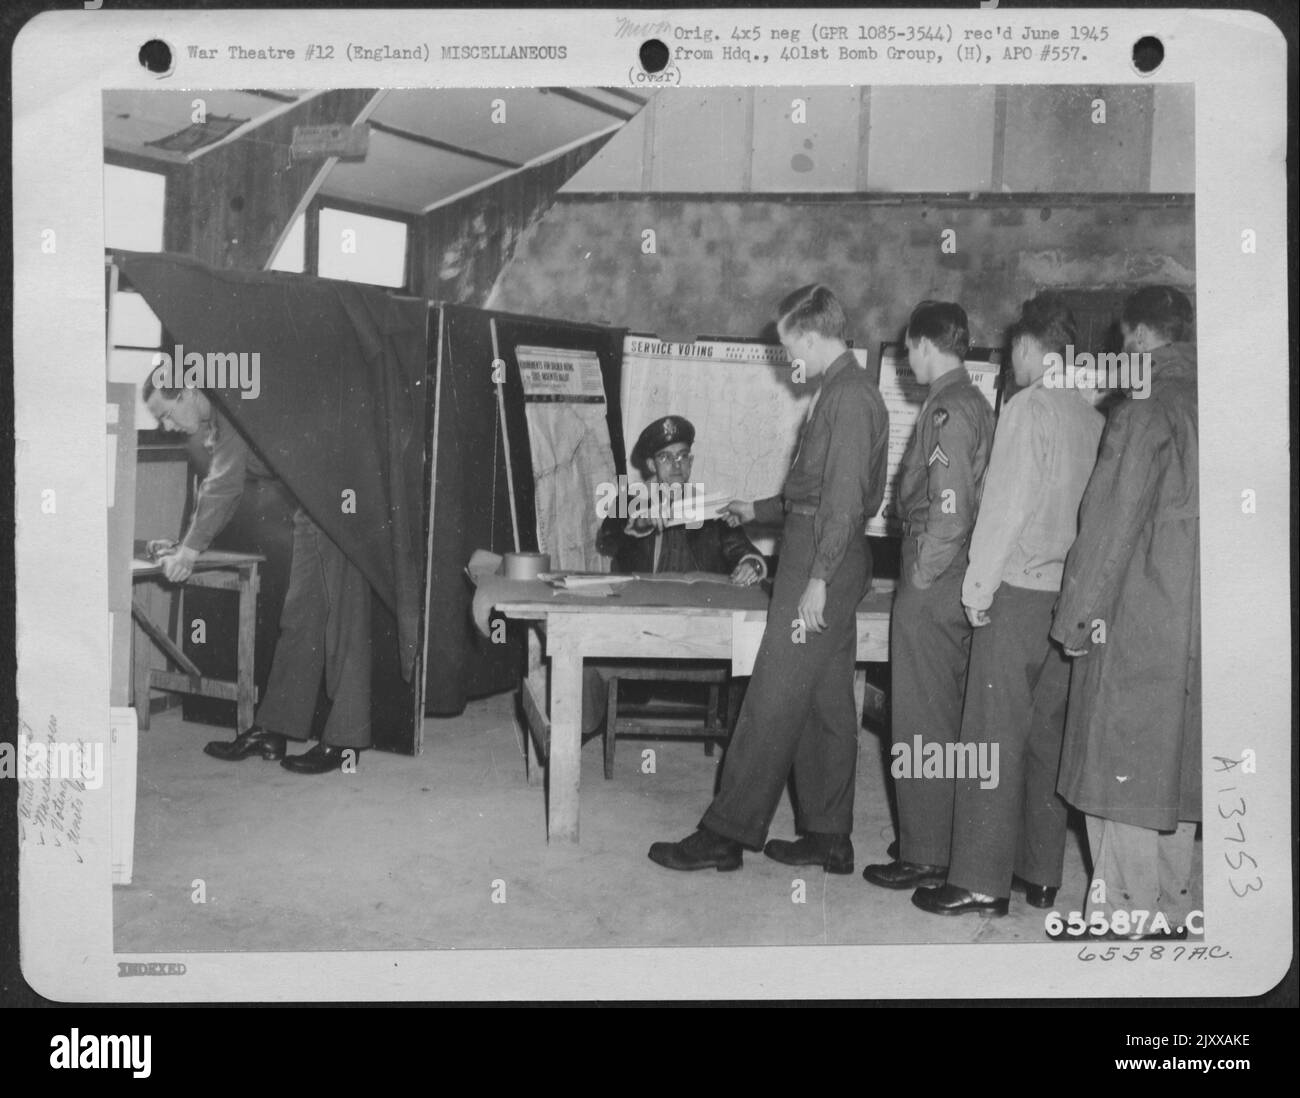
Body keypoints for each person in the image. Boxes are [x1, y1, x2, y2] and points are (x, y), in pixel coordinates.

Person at [648, 284, 888, 872]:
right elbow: (813, 495)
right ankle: (829, 835)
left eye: (789, 349)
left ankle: (725, 833)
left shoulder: (848, 398)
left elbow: (841, 503)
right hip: (821, 550)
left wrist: (818, 579)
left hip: (818, 560)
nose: (789, 363)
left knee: (771, 696)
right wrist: (755, 512)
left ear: (810, 335)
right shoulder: (842, 392)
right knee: (828, 703)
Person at [912, 293, 1103, 917]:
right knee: (1045, 739)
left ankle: (980, 880)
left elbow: (1004, 509)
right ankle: (1039, 873)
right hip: (1066, 599)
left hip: (1017, 596)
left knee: (990, 736)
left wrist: (976, 588)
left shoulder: (1028, 408)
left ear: (1027, 348)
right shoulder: (1092, 416)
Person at [1050, 285, 1200, 937]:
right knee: (1175, 765)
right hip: (1198, 620)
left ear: (1138, 337)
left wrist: (1076, 620)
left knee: (1123, 767)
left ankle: (1121, 922)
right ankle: (1170, 904)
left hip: (1137, 613)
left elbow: (1109, 525)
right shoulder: (1225, 399)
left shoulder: (1142, 408)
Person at [143, 374, 372, 775]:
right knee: (300, 619)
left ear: (190, 393)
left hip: (339, 504)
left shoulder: (231, 405)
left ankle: (345, 742)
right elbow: (220, 483)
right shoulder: (220, 417)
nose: (166, 425)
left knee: (343, 625)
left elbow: (223, 487)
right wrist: (187, 545)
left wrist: (189, 551)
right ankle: (274, 728)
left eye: (166, 413)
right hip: (311, 508)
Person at [863, 301, 995, 890]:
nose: (905, 359)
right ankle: (933, 836)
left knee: (917, 716)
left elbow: (949, 509)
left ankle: (922, 853)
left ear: (921, 344)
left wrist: (917, 576)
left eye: (907, 348)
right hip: (956, 574)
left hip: (935, 575)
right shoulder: (973, 400)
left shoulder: (945, 408)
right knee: (943, 715)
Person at [581, 414, 766, 738]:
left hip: (699, 630)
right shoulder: (630, 500)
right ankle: (581, 724)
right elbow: (606, 540)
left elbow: (744, 550)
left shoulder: (710, 507)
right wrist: (638, 522)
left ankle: (747, 739)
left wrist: (752, 564)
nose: (676, 465)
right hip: (641, 624)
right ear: (652, 465)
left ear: (691, 461)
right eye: (666, 457)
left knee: (758, 636)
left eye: (682, 456)